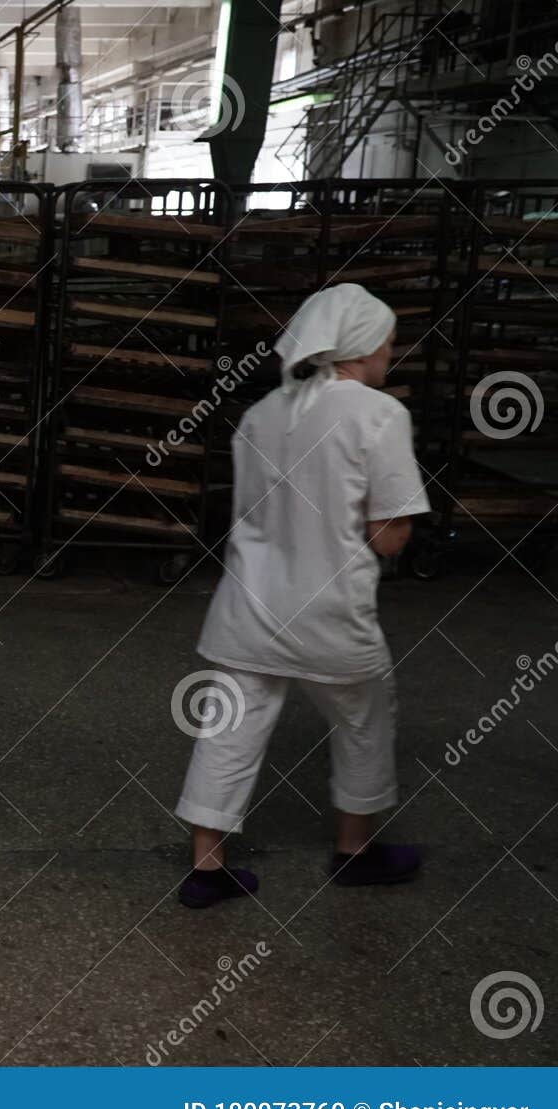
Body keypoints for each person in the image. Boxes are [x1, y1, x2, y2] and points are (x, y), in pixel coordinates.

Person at [174, 282, 431, 909]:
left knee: (228, 731)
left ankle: (207, 871)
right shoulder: (380, 414)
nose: (390, 354)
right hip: (330, 612)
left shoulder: (262, 414)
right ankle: (355, 855)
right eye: (389, 343)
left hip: (248, 608)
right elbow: (388, 535)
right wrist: (398, 524)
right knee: (366, 720)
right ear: (365, 346)